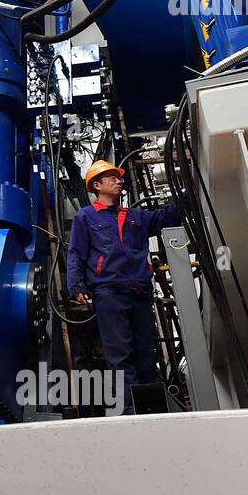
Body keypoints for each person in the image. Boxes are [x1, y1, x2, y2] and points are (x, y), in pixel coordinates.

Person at [66, 159, 179, 414]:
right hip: (108, 292)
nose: (119, 181)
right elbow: (76, 254)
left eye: (119, 178)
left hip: (139, 291)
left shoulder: (135, 217)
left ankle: (152, 410)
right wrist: (77, 285)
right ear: (97, 185)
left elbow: (166, 216)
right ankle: (129, 410)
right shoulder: (86, 217)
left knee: (146, 353)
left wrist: (186, 192)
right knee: (120, 355)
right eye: (112, 178)